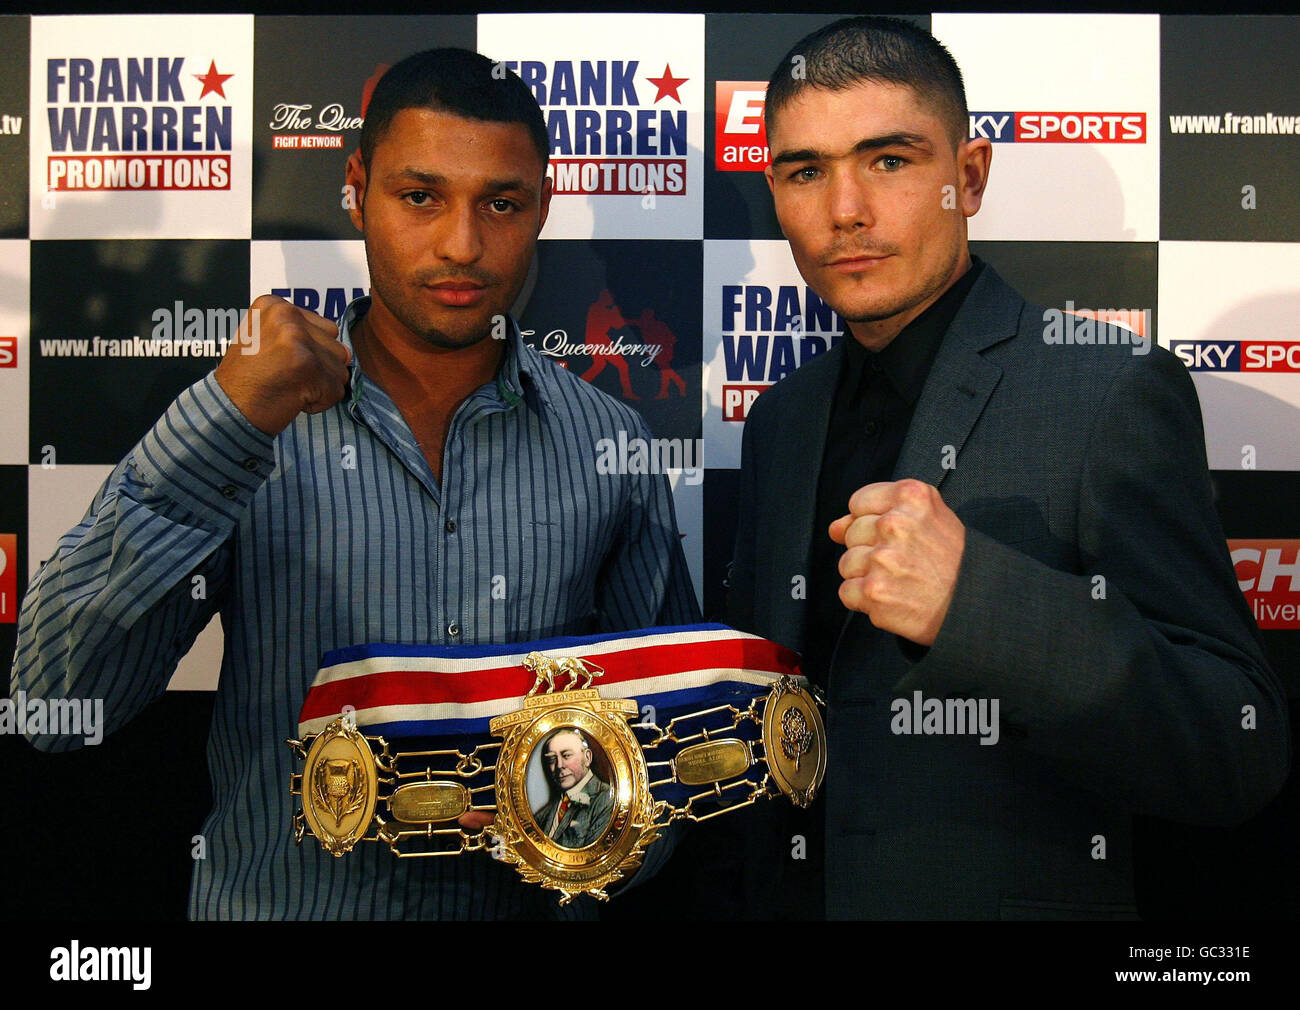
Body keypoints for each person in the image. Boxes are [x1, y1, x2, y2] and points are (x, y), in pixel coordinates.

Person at [11, 48, 699, 920]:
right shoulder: (243, 425)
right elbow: (54, 704)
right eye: (420, 197)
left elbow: (669, 745)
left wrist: (586, 834)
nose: (461, 243)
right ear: (356, 187)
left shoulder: (610, 445)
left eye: (501, 202)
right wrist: (225, 426)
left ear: (542, 209)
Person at [724, 16, 1289, 919]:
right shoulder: (781, 419)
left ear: (970, 177)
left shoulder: (1110, 390)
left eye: (891, 160)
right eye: (805, 171)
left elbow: (1236, 745)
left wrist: (976, 600)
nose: (845, 212)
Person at [534, 729, 616, 848]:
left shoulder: (608, 800)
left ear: (587, 757)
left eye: (566, 755)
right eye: (552, 759)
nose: (559, 766)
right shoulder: (544, 814)